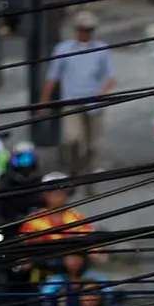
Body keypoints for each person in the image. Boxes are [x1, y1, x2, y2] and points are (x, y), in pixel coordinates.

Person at [43, 9, 116, 179]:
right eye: (82, 29)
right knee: (72, 138)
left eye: (88, 29)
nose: (85, 33)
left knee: (92, 144)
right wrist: (44, 100)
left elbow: (111, 77)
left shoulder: (102, 49)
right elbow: (53, 76)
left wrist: (102, 93)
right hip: (72, 100)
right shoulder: (63, 49)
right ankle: (74, 167)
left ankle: (87, 171)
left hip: (94, 101)